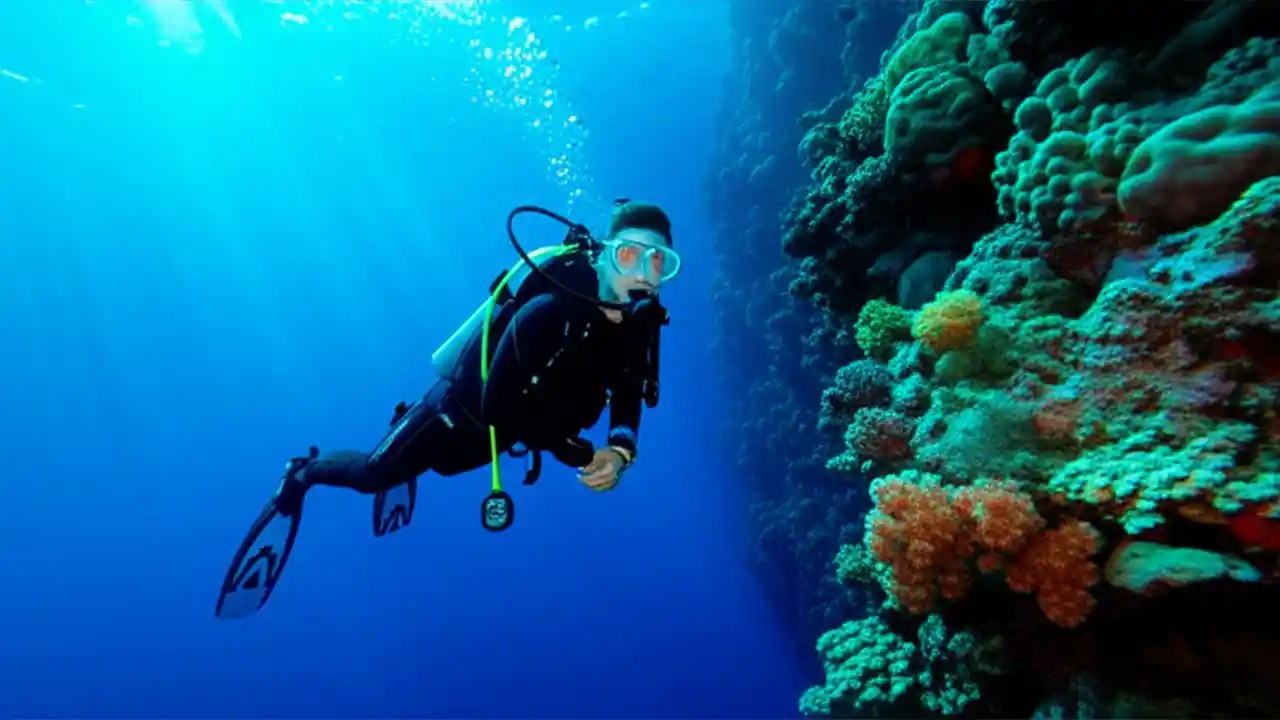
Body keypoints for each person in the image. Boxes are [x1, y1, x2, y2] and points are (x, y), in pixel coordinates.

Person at [215, 200, 681, 618]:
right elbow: (499, 406)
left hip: (504, 439)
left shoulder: (638, 328)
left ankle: (404, 439)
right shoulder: (549, 309)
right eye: (628, 253)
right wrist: (578, 454)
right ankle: (303, 474)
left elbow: (628, 391)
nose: (643, 270)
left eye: (658, 260)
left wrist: (620, 451)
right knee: (375, 475)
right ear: (602, 254)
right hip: (457, 410)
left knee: (444, 469)